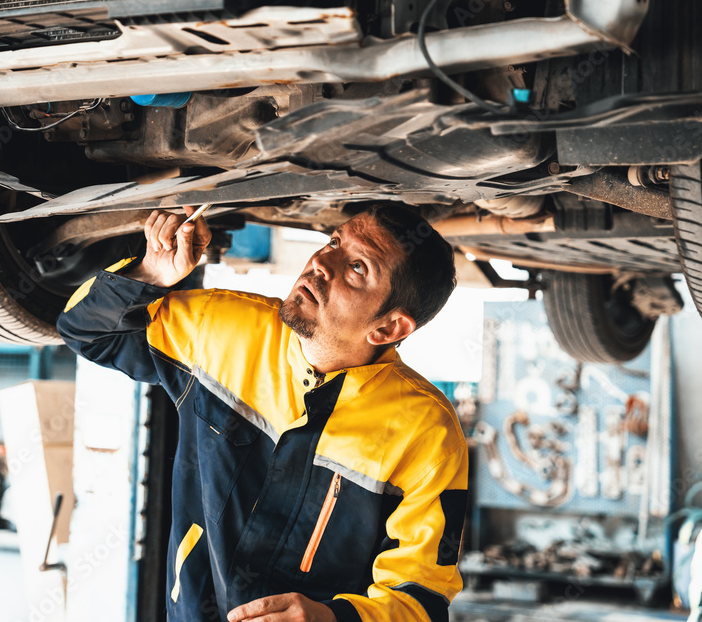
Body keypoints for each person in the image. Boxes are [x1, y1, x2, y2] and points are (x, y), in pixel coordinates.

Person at [57, 203, 468, 622]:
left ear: (388, 329)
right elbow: (86, 332)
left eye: (357, 268)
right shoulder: (223, 328)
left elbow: (422, 597)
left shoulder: (425, 431)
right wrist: (150, 274)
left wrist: (331, 619)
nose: (321, 263)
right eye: (333, 242)